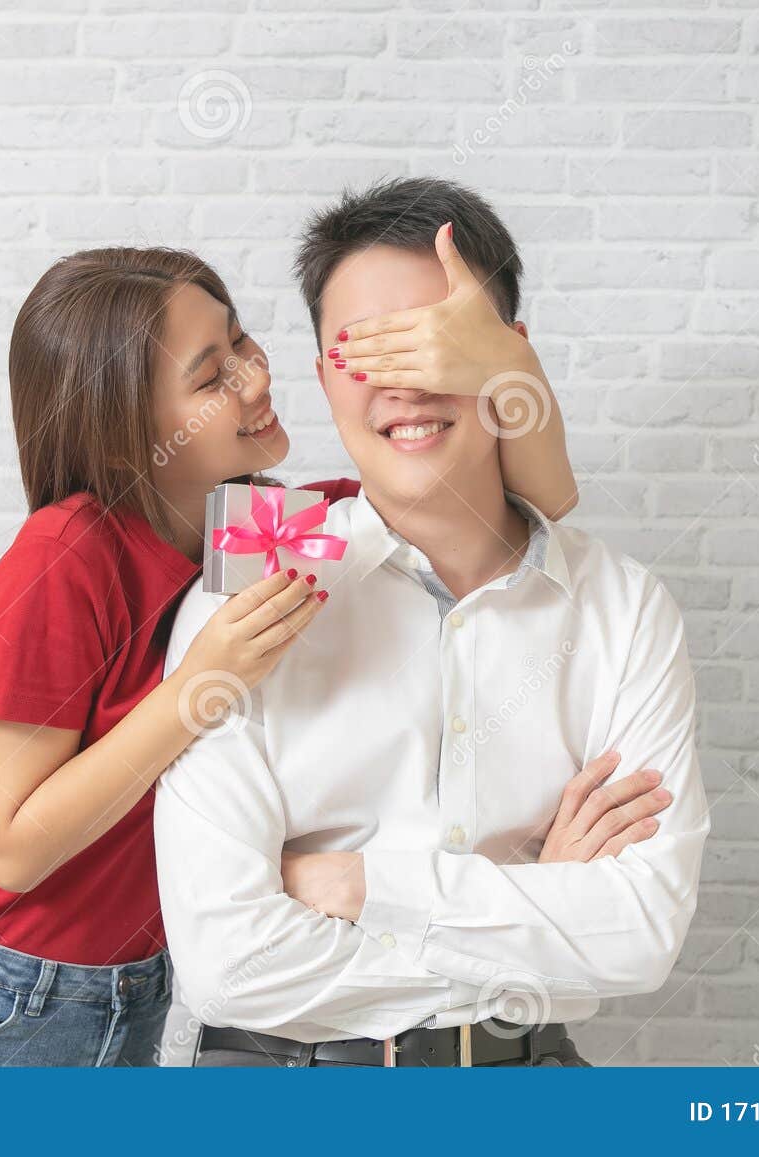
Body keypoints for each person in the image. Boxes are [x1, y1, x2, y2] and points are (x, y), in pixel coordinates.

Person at [0, 239, 590, 1066]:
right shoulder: (65, 557)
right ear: (125, 434)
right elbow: (12, 850)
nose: (255, 376)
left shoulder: (267, 528)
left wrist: (502, 359)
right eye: (211, 376)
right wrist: (203, 682)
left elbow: (533, 501)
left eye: (239, 341)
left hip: (129, 989)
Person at [155, 178, 709, 1067]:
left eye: (434, 341)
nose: (403, 383)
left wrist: (357, 884)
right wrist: (533, 910)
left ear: (508, 360)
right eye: (362, 348)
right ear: (322, 378)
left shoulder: (624, 608)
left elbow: (640, 934)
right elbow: (228, 967)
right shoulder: (247, 597)